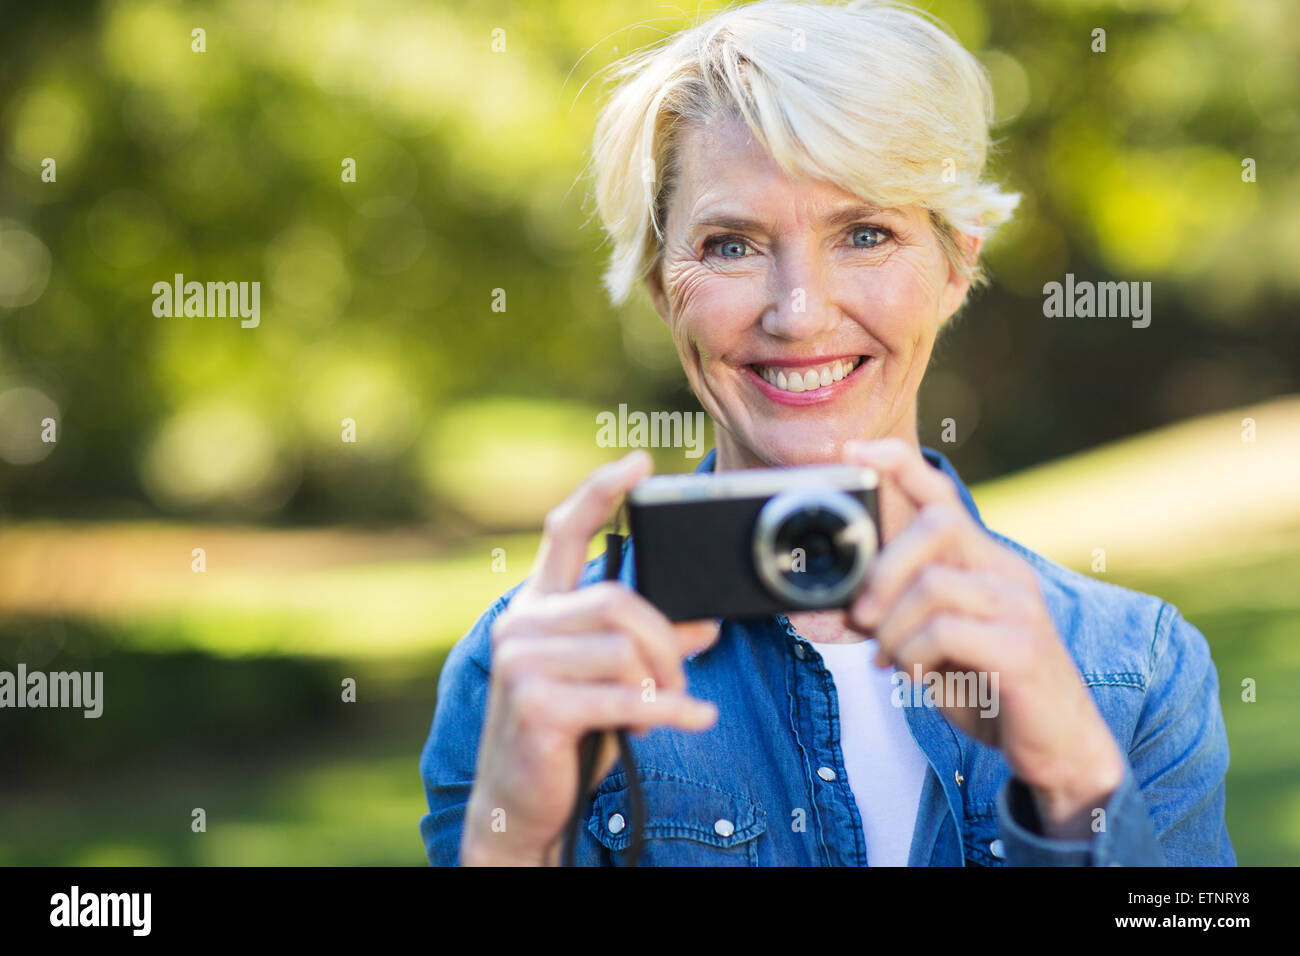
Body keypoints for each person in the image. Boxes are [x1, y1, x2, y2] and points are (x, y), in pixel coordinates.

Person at [419, 0, 1234, 866]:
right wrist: (516, 831)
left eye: (866, 233)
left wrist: (1073, 779)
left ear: (956, 265)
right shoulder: (529, 668)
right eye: (731, 245)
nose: (800, 316)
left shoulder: (1135, 669)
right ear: (662, 286)